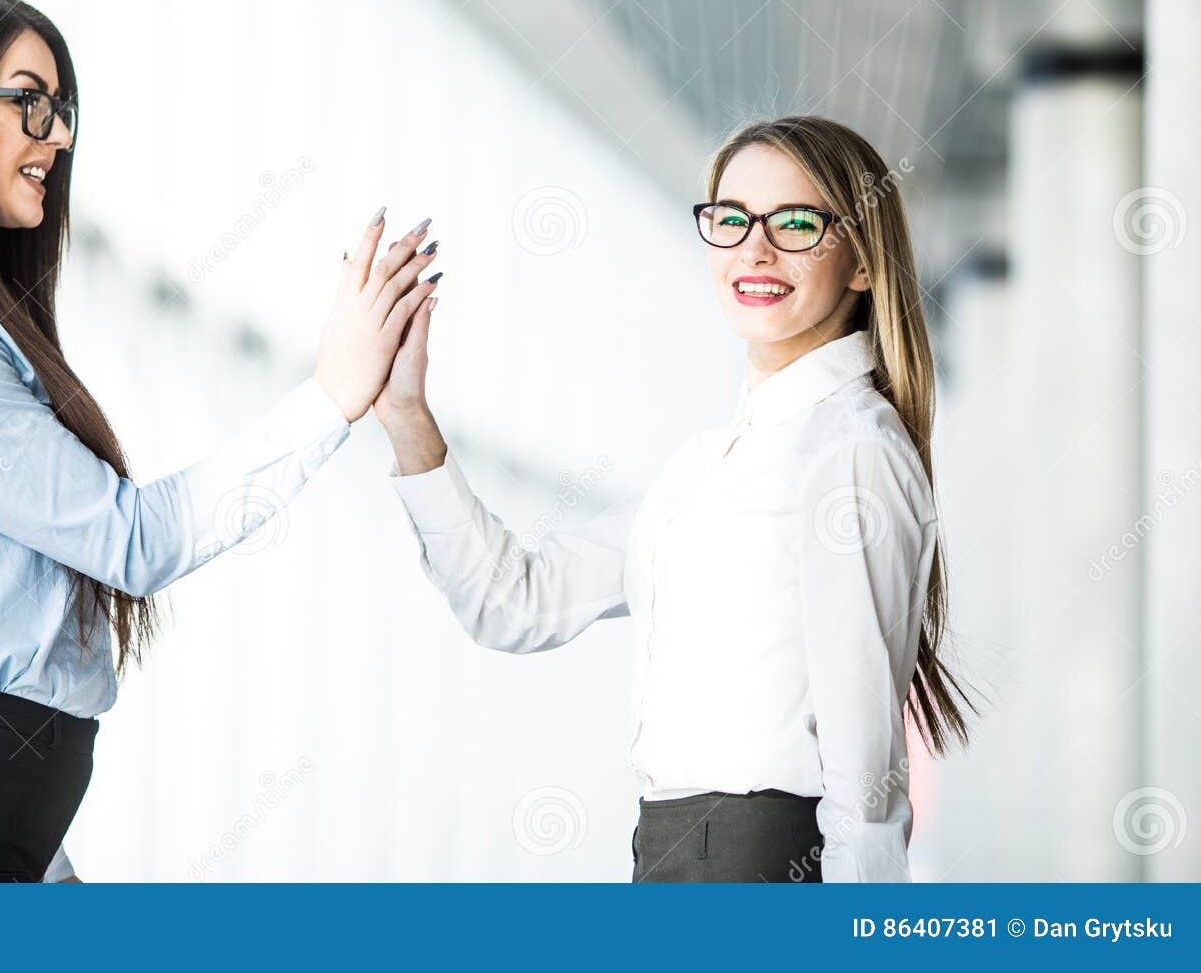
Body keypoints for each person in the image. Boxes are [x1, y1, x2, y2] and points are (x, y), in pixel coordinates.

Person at [0, 0, 442, 882]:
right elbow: (133, 543)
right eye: (30, 101)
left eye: (60, 110)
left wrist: (47, 869)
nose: (57, 137)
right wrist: (334, 392)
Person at [373, 115, 977, 882]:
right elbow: (513, 601)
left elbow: (865, 782)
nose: (755, 249)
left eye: (796, 223)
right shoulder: (705, 469)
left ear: (862, 261)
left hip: (761, 865)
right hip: (669, 854)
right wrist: (406, 416)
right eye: (732, 220)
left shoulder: (852, 449)